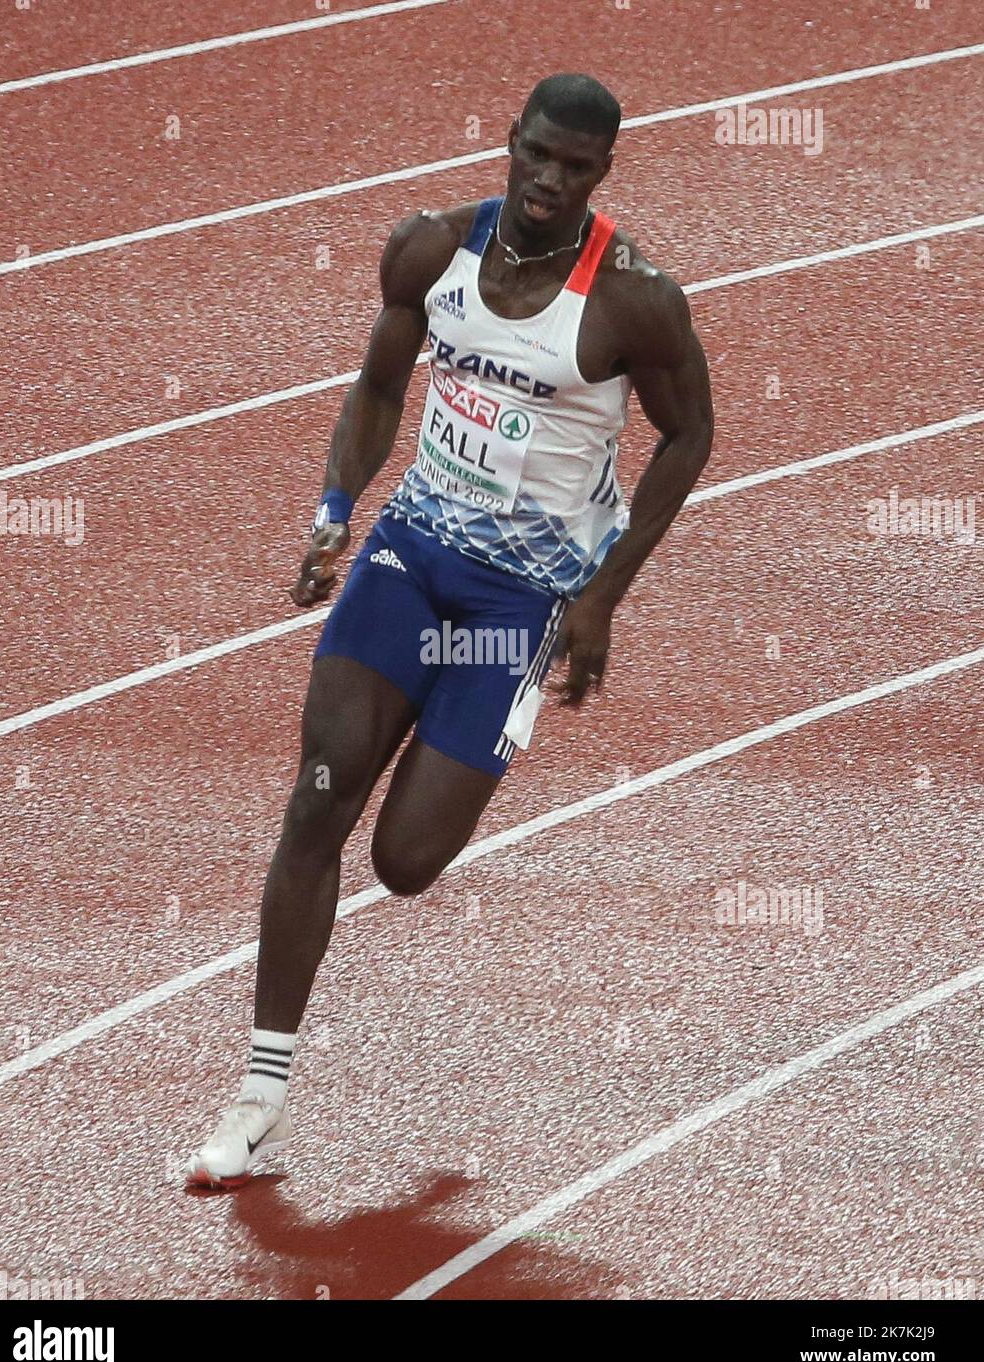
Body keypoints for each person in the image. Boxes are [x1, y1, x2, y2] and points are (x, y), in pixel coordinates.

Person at [186, 72, 714, 1187]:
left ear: (600, 174)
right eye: (534, 154)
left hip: (520, 601)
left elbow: (688, 439)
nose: (546, 179)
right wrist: (334, 511)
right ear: (508, 142)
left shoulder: (632, 304)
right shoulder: (429, 252)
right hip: (410, 557)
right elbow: (378, 386)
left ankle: (459, 714)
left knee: (406, 858)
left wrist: (602, 596)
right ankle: (257, 1092)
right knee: (318, 795)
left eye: (572, 167)